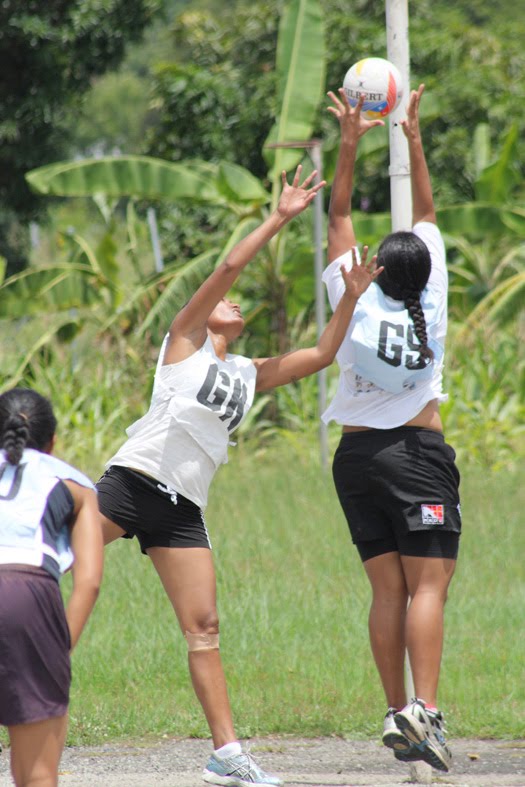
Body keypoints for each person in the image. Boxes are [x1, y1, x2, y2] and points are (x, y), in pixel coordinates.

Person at [96, 165, 382, 787]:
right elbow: (226, 271)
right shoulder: (184, 342)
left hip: (182, 507)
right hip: (132, 480)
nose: (233, 301)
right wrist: (279, 217)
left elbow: (324, 355)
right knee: (40, 561)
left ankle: (226, 755)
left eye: (233, 305)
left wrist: (353, 296)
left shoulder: (250, 372)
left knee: (205, 629)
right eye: (225, 303)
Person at [323, 86, 461, 773]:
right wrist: (410, 136)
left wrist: (351, 138)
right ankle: (424, 708)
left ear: (373, 269)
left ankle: (393, 709)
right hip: (416, 453)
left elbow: (340, 211)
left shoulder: (350, 296)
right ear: (425, 272)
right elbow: (428, 212)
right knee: (428, 586)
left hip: (354, 458)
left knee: (387, 590)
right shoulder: (430, 299)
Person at [0, 387, 104, 787]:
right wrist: (58, 653)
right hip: (28, 592)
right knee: (36, 774)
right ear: (53, 442)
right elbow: (89, 581)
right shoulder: (74, 484)